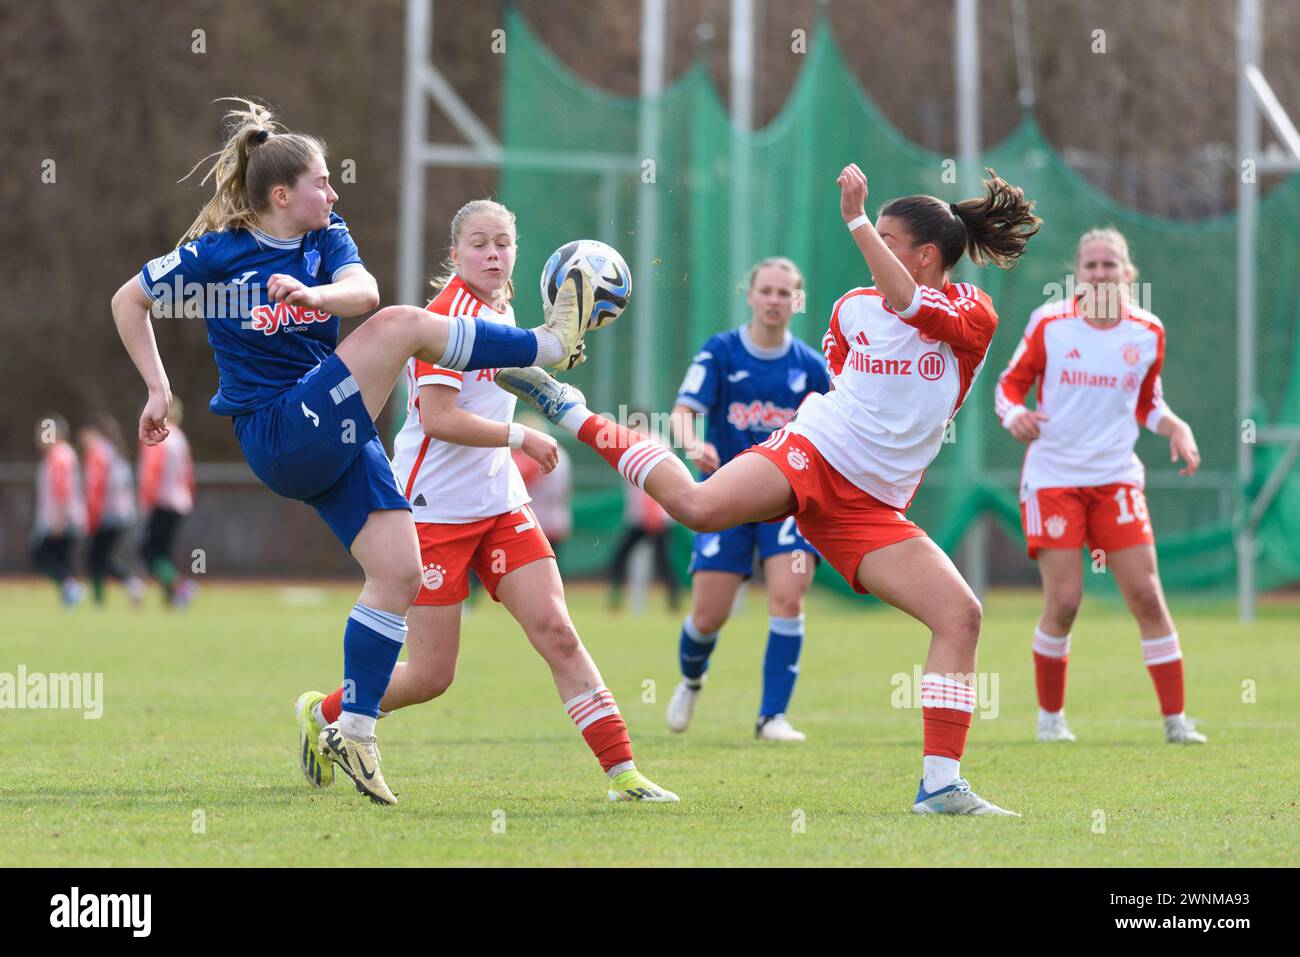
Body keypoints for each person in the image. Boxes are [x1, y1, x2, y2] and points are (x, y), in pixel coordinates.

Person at [498, 163, 1041, 815]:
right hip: (812, 451)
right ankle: (567, 405)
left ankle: (941, 784)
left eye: (888, 242)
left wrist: (858, 217)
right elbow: (845, 382)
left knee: (961, 615)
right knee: (698, 507)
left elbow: (910, 305)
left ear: (925, 255)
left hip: (871, 505)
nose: (872, 251)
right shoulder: (851, 308)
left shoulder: (969, 312)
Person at [110, 100, 599, 805]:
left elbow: (363, 293)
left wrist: (312, 292)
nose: (333, 193)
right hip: (278, 428)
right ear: (283, 196)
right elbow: (128, 299)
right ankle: (545, 345)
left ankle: (353, 729)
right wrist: (157, 390)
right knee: (405, 325)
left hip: (338, 429)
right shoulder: (218, 252)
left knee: (400, 572)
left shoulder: (326, 238)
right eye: (320, 183)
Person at [298, 199, 677, 802]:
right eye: (479, 243)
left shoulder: (503, 308)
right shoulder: (446, 315)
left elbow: (504, 378)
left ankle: (622, 772)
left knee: (556, 630)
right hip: (433, 510)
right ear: (455, 255)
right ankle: (324, 713)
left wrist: (552, 386)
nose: (493, 253)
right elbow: (439, 416)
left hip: (500, 503)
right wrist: (520, 434)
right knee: (430, 676)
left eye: (503, 242)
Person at [994, 227, 1206, 745]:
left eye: (1110, 264)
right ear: (1077, 273)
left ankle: (1177, 722)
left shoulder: (1147, 332)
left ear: (1127, 273)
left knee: (1147, 596)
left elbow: (1146, 402)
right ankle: (1050, 720)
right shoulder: (1051, 323)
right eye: (1090, 265)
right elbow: (1009, 384)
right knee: (1065, 601)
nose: (1099, 273)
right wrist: (1015, 414)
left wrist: (1175, 426)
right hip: (1054, 480)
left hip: (1115, 479)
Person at [664, 257, 830, 742]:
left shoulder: (811, 367)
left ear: (796, 301)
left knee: (786, 597)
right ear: (750, 295)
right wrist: (694, 445)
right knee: (708, 615)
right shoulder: (721, 352)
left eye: (785, 293)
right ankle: (692, 680)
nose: (775, 300)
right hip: (728, 497)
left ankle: (771, 717)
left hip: (789, 501)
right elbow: (683, 411)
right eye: (767, 291)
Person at [78, 414, 145, 606]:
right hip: (123, 513)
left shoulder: (97, 453)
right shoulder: (116, 451)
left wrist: (91, 516)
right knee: (102, 557)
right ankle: (131, 584)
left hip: (106, 514)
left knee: (94, 558)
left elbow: (95, 488)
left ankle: (101, 599)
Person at [138, 395, 198, 608]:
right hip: (181, 501)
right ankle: (171, 598)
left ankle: (180, 586)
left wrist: (146, 500)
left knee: (149, 552)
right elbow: (189, 472)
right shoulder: (180, 437)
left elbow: (153, 471)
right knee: (164, 551)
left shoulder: (158, 436)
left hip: (163, 501)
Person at [32, 414, 86, 608]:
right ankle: (69, 598)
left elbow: (61, 489)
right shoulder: (62, 454)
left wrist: (59, 518)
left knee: (41, 557)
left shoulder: (58, 456)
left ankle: (71, 589)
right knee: (61, 559)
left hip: (61, 518)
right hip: (66, 516)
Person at [607, 474, 681, 613]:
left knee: (664, 563)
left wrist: (652, 513)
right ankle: (615, 600)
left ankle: (674, 604)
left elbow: (652, 481)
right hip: (639, 519)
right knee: (620, 558)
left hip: (655, 520)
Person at [511, 412, 573, 564]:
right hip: (554, 516)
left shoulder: (532, 457)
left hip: (533, 521)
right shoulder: (562, 454)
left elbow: (516, 480)